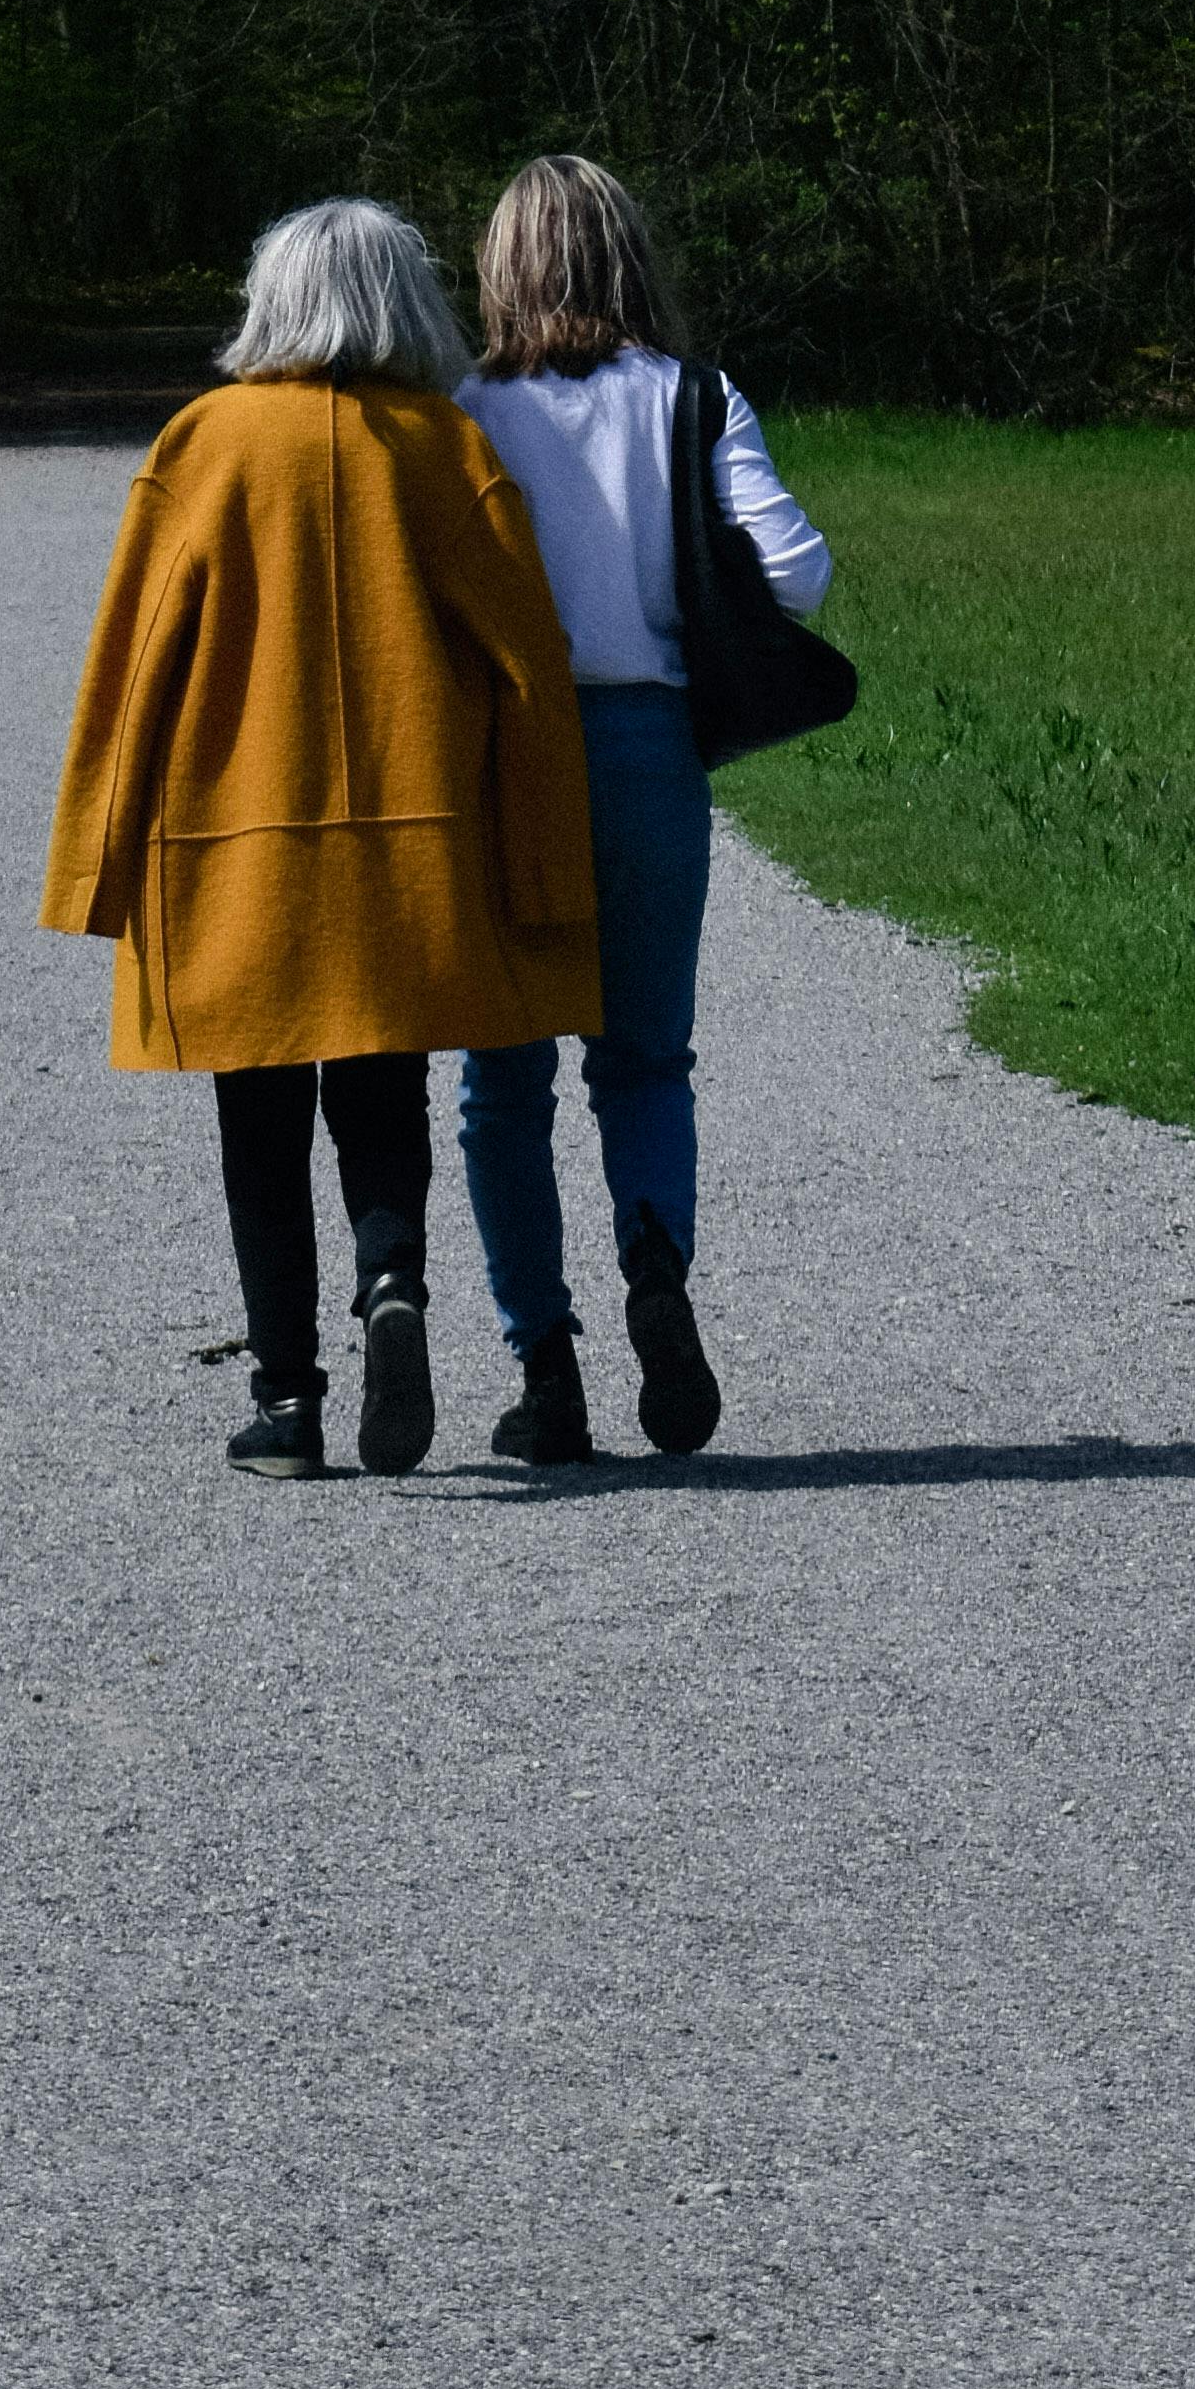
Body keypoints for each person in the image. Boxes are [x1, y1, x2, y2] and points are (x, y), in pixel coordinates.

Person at [43, 197, 598, 1482]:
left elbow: (128, 672)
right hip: (414, 844)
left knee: (258, 1114)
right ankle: (390, 1278)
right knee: (382, 1088)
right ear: (408, 302)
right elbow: (530, 663)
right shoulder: (443, 447)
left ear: (270, 299)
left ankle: (287, 1400)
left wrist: (95, 862)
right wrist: (548, 862)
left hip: (236, 844)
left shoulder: (207, 444)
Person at [452, 152, 833, 1468]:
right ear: (627, 257)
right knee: (645, 1060)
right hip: (653, 747)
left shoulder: (467, 414)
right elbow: (797, 570)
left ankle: (544, 1369)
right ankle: (655, 1274)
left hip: (512, 761)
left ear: (505, 266)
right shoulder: (694, 400)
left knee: (503, 1086)